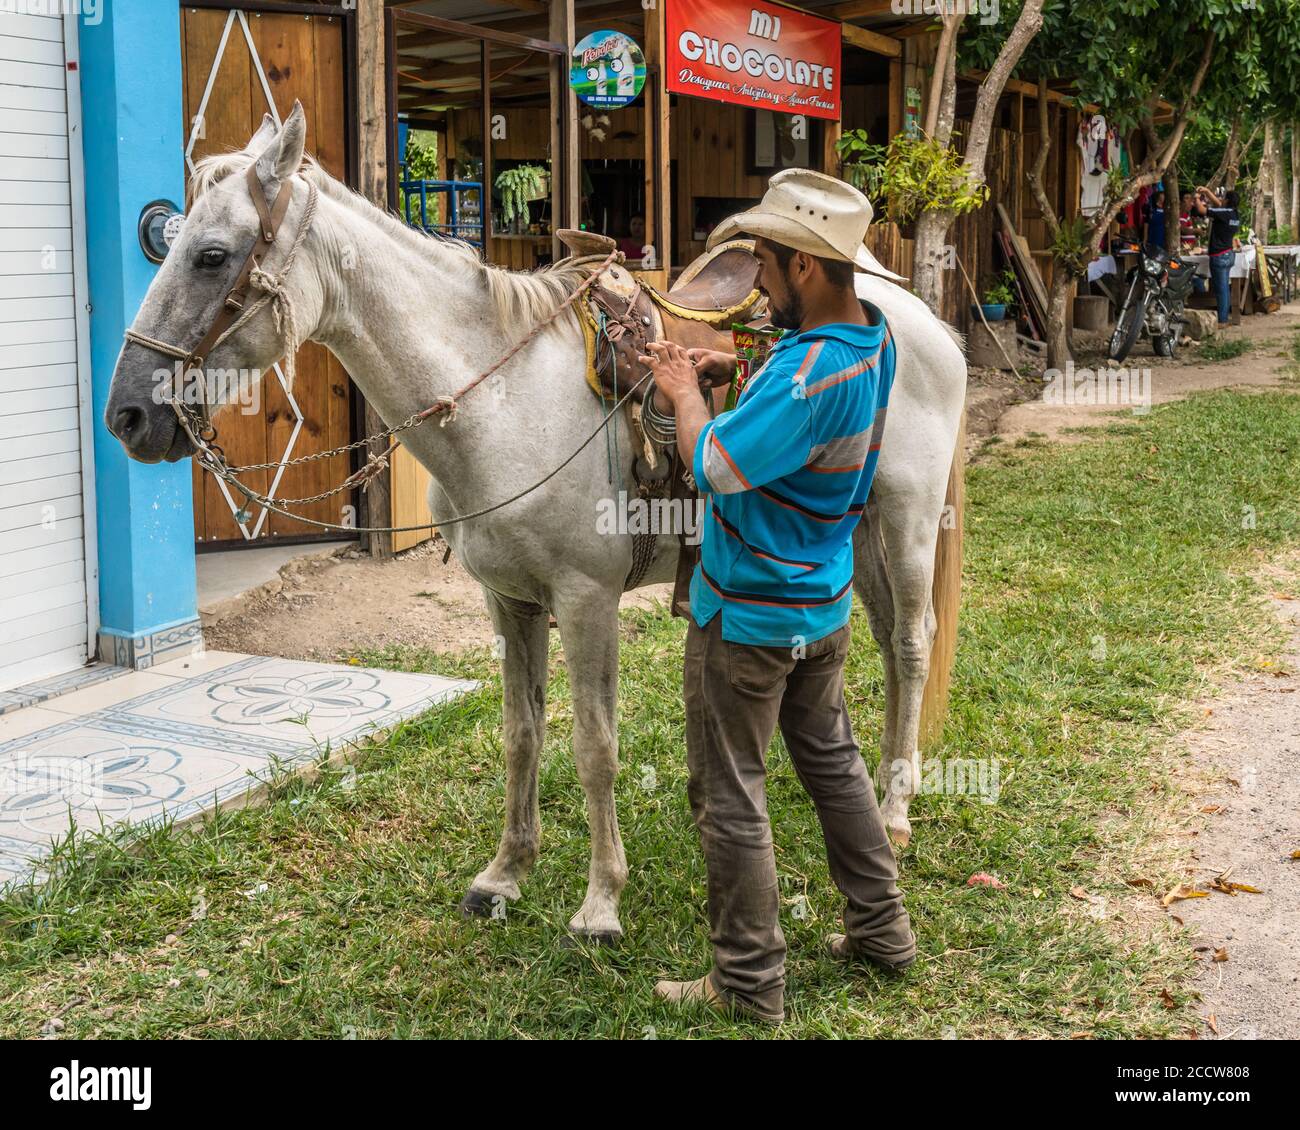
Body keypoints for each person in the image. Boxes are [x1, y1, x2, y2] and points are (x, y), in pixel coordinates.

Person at [637, 169, 915, 1026]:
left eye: (762, 263)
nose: (754, 279)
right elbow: (799, 382)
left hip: (749, 619)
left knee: (731, 793)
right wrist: (741, 363)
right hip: (819, 610)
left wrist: (689, 394)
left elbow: (715, 466)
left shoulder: (802, 379)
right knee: (833, 766)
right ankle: (883, 932)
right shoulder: (872, 341)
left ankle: (749, 983)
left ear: (801, 267)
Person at [1197, 186, 1241, 326]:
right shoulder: (1234, 214)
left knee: (1220, 290)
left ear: (1227, 201)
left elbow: (1202, 210)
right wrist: (1207, 191)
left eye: (1223, 198)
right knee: (1224, 289)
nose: (1220, 200)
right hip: (1228, 254)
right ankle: (1224, 318)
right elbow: (1218, 205)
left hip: (1219, 256)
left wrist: (1197, 197)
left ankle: (1222, 320)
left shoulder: (1223, 212)